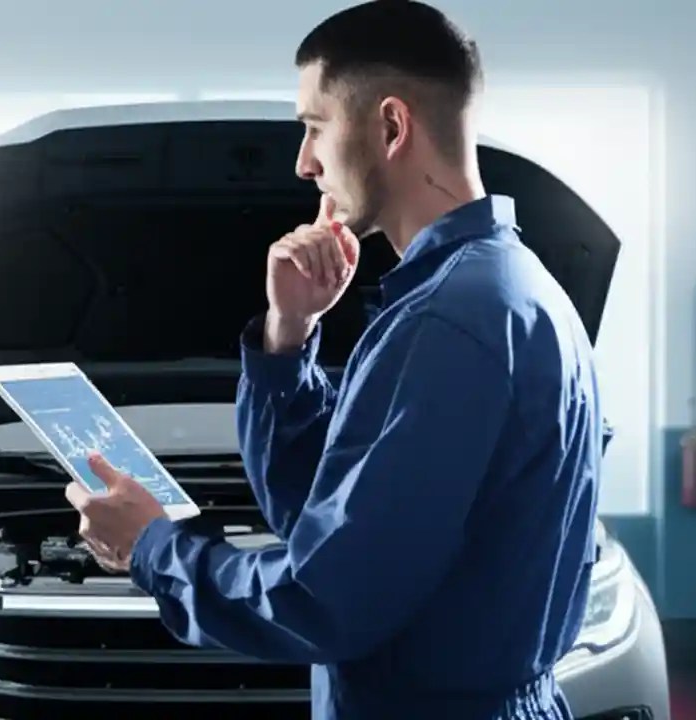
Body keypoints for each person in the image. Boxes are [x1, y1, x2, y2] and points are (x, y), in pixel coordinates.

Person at [64, 2, 606, 718]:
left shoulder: (451, 324)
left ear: (390, 126)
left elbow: (328, 597)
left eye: (315, 127)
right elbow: (325, 509)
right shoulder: (503, 290)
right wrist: (289, 334)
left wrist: (154, 549)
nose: (303, 163)